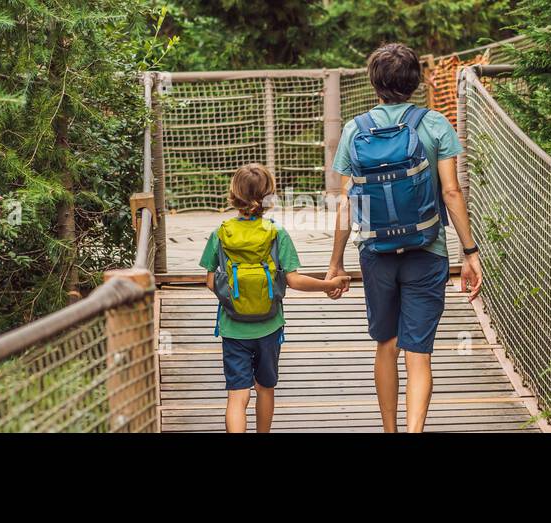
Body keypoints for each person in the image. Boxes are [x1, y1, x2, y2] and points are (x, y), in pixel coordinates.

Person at [325, 43, 484, 433]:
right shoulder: (435, 124)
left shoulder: (354, 129)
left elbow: (347, 203)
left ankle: (390, 431)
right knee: (418, 354)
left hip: (376, 252)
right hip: (426, 251)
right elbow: (451, 192)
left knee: (386, 344)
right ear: (415, 82)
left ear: (374, 82)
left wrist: (336, 261)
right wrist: (470, 252)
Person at [202, 163, 352, 433]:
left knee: (238, 396)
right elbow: (293, 280)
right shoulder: (276, 233)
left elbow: (211, 281)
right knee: (265, 388)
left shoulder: (221, 233)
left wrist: (234, 299)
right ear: (269, 197)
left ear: (233, 194)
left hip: (233, 328)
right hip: (269, 327)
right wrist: (328, 284)